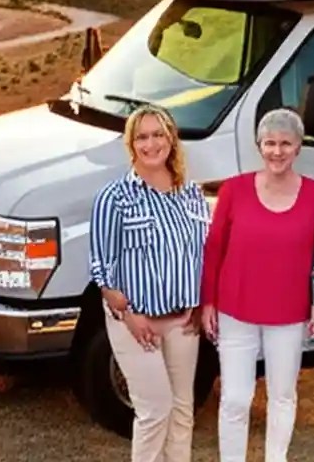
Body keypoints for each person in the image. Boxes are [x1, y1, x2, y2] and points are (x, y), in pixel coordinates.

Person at [199, 108, 314, 462]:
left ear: (299, 147)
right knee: (236, 398)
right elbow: (215, 247)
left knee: (282, 394)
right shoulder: (235, 190)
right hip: (235, 309)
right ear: (259, 146)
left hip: (288, 312)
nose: (277, 151)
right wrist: (207, 301)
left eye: (286, 143)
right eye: (269, 143)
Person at [88, 104, 210, 462]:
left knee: (182, 410)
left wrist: (199, 303)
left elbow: (200, 253)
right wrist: (128, 315)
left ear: (171, 139)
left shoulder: (189, 193)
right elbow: (101, 266)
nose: (151, 143)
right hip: (136, 322)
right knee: (155, 410)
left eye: (158, 134)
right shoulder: (116, 198)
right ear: (131, 144)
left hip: (182, 321)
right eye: (142, 137)